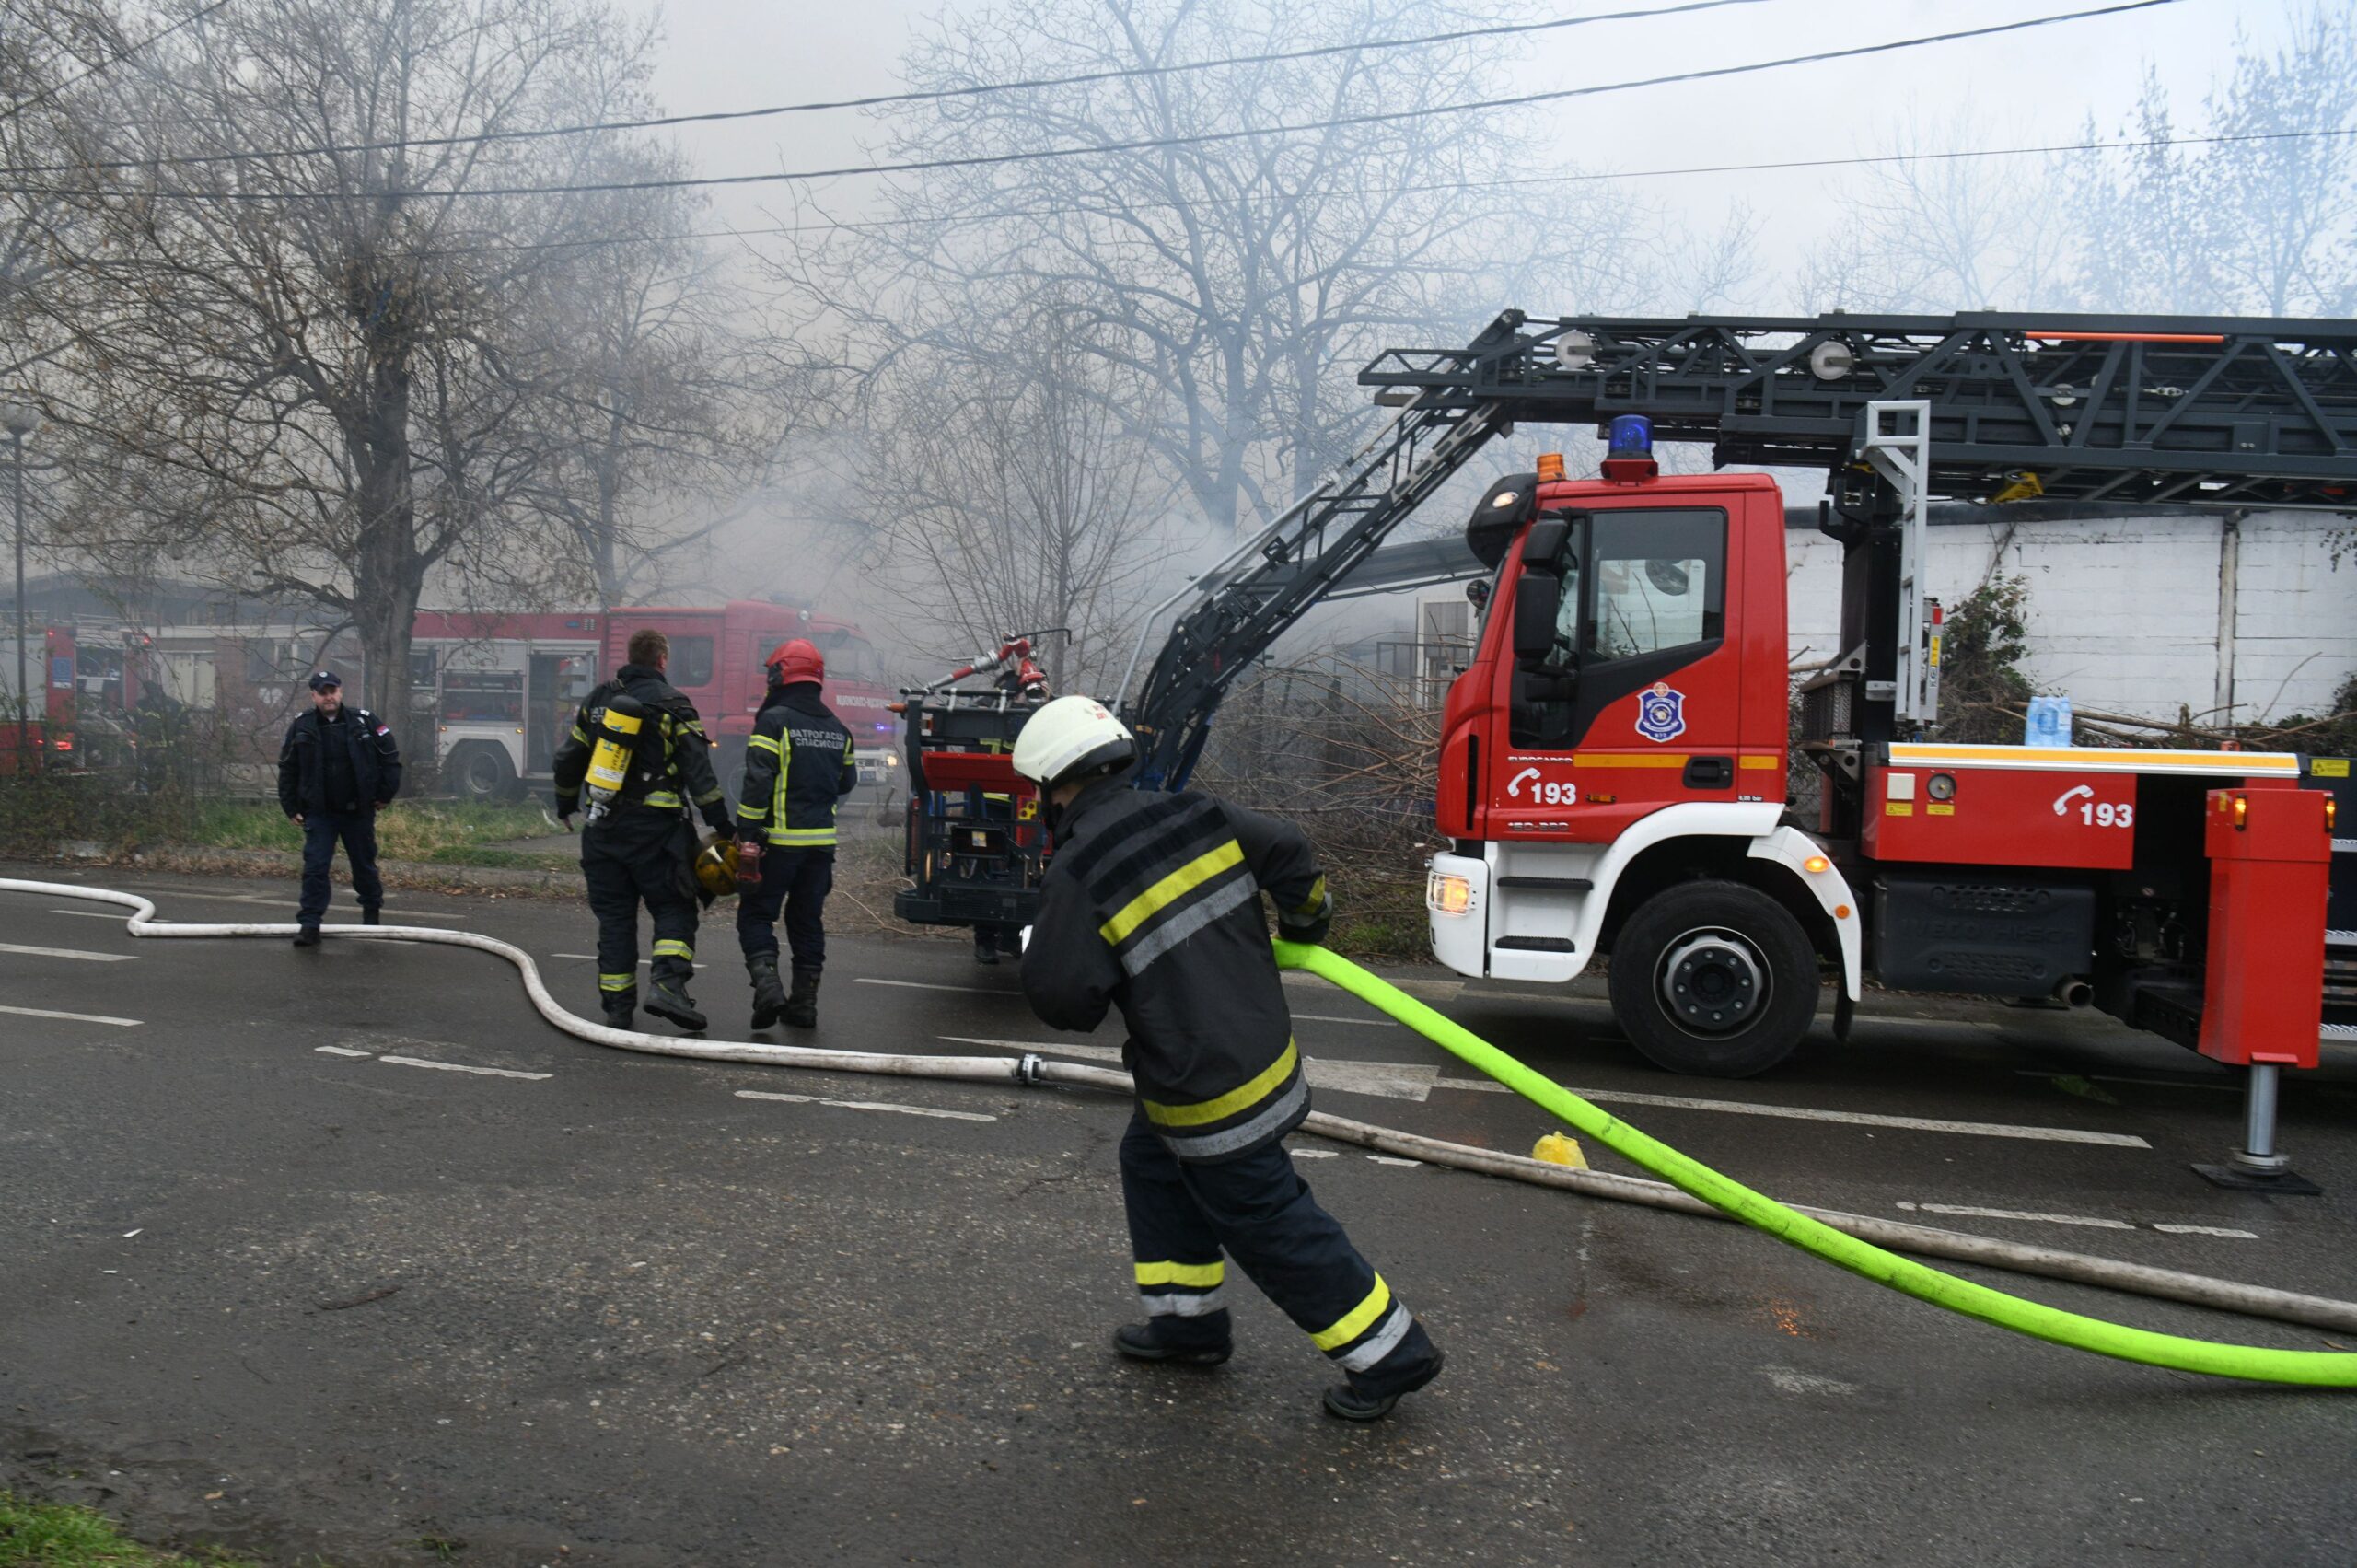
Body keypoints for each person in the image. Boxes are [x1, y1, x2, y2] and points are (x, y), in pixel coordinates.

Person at [1012, 695, 1445, 1422]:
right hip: (1257, 1057)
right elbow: (1289, 849)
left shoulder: (1080, 871)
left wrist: (1057, 951)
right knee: (1149, 1160)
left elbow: (1065, 1003)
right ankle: (1189, 1324)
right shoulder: (1198, 814)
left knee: (1267, 1218)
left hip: (1207, 1091)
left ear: (1055, 786)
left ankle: (1389, 1353)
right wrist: (1308, 921)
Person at [552, 629, 733, 1032]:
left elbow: (569, 757)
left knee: (615, 918)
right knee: (674, 907)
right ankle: (667, 987)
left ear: (630, 657)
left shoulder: (599, 699)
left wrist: (565, 804)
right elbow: (699, 773)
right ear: (662, 660)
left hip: (603, 830)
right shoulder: (674, 704)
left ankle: (617, 1007)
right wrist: (723, 826)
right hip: (657, 833)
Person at [734, 638, 857, 1029]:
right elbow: (846, 781)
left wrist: (747, 833)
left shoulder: (774, 721)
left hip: (777, 846)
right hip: (820, 847)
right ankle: (804, 1006)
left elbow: (757, 783)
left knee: (755, 915)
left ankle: (768, 987)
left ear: (779, 674)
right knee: (806, 922)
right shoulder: (839, 729)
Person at [276, 669, 401, 947]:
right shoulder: (302, 726)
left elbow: (391, 760)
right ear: (314, 696)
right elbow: (288, 768)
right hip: (320, 813)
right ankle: (310, 925)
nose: (328, 696)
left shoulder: (365, 722)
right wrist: (290, 806)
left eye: (332, 691)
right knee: (315, 869)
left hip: (358, 811)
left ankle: (371, 919)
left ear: (341, 692)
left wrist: (385, 794)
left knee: (364, 866)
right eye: (322, 692)